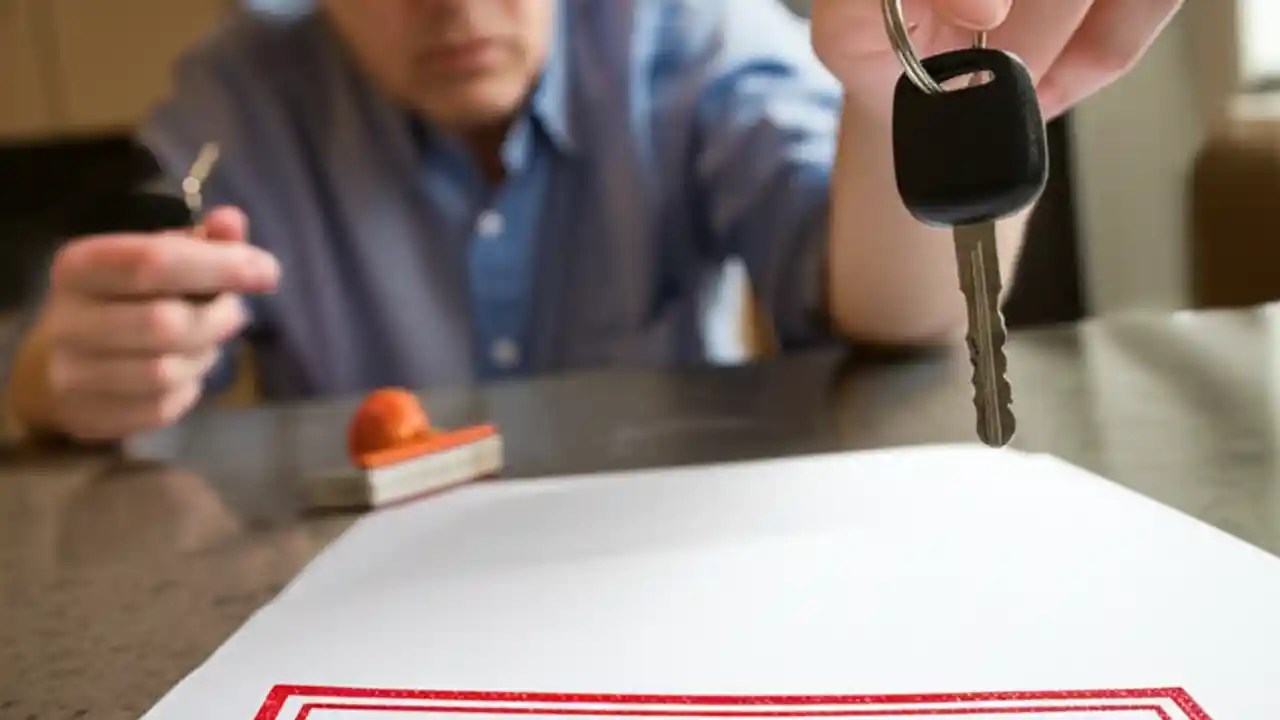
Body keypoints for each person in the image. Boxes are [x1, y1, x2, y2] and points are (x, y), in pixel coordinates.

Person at [3, 0, 1181, 442]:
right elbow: (112, 373)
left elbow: (894, 315)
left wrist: (892, 94)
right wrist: (66, 375)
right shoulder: (243, 93)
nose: (453, 6)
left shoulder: (683, 35)